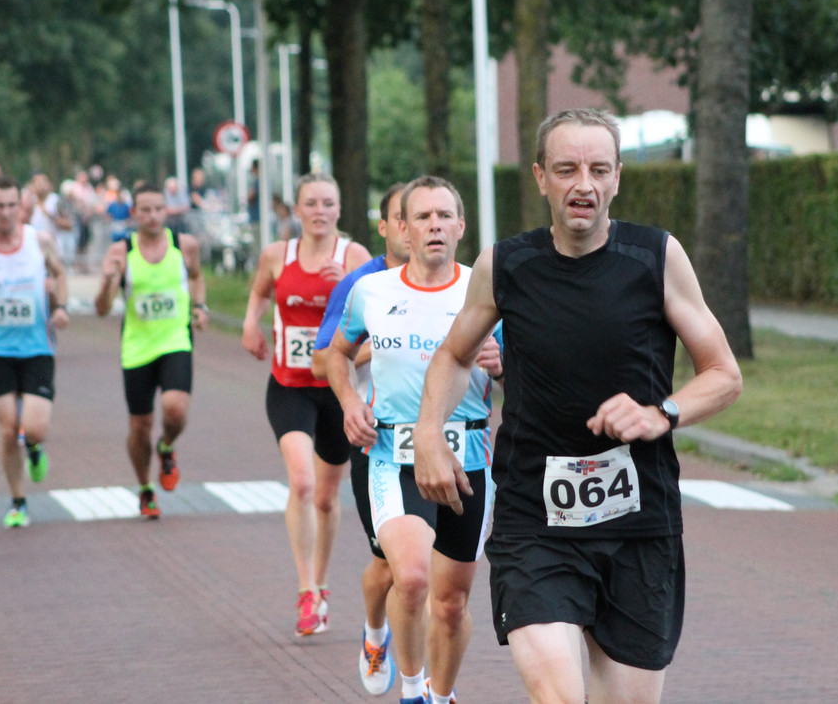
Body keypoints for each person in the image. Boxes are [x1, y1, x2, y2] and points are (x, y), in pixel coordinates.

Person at [413, 109, 743, 704]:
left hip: (640, 521)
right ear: (541, 178)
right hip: (533, 518)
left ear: (617, 178)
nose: (582, 184)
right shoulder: (506, 265)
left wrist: (658, 414)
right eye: (566, 169)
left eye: (597, 169)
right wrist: (429, 433)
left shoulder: (656, 258)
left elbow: (723, 374)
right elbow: (454, 355)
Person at [323, 177, 502, 704]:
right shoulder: (372, 291)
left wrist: (504, 362)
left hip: (468, 457)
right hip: (391, 455)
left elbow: (527, 374)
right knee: (414, 577)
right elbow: (336, 353)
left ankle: (441, 695)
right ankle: (412, 691)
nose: (434, 227)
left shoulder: (486, 291)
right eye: (422, 217)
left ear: (461, 226)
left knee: (450, 604)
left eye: (445, 216)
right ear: (401, 227)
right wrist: (351, 403)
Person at [241, 173, 371, 636]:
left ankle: (321, 580)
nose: (319, 211)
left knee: (325, 495)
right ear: (296, 211)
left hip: (337, 390)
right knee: (300, 482)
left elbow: (379, 322)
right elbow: (259, 290)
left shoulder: (354, 258)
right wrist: (250, 324)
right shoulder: (278, 255)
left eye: (328, 203)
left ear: (339, 211)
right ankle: (305, 592)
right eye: (310, 203)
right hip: (289, 385)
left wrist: (348, 287)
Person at [309, 181, 408, 694]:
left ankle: (428, 682)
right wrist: (382, 348)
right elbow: (324, 357)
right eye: (404, 217)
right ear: (386, 226)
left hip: (448, 440)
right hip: (376, 438)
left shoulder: (460, 283)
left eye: (430, 217)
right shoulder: (361, 284)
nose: (418, 228)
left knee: (435, 578)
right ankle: (374, 634)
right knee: (388, 564)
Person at [94, 181, 208, 519]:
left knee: (175, 410)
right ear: (134, 214)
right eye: (145, 209)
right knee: (140, 425)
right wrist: (108, 281)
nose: (153, 215)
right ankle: (145, 488)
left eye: (158, 208)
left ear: (166, 210)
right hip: (137, 346)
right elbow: (101, 309)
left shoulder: (184, 245)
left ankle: (167, 446)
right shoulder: (120, 252)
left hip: (175, 339)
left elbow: (197, 276)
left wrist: (200, 306)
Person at [0, 176, 71, 527]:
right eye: (0, 206)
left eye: (13, 205)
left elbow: (60, 272)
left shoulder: (40, 241)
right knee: (8, 429)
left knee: (34, 429)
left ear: (21, 207)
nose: (6, 212)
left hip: (37, 346)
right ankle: (18, 500)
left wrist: (61, 306)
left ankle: (36, 448)